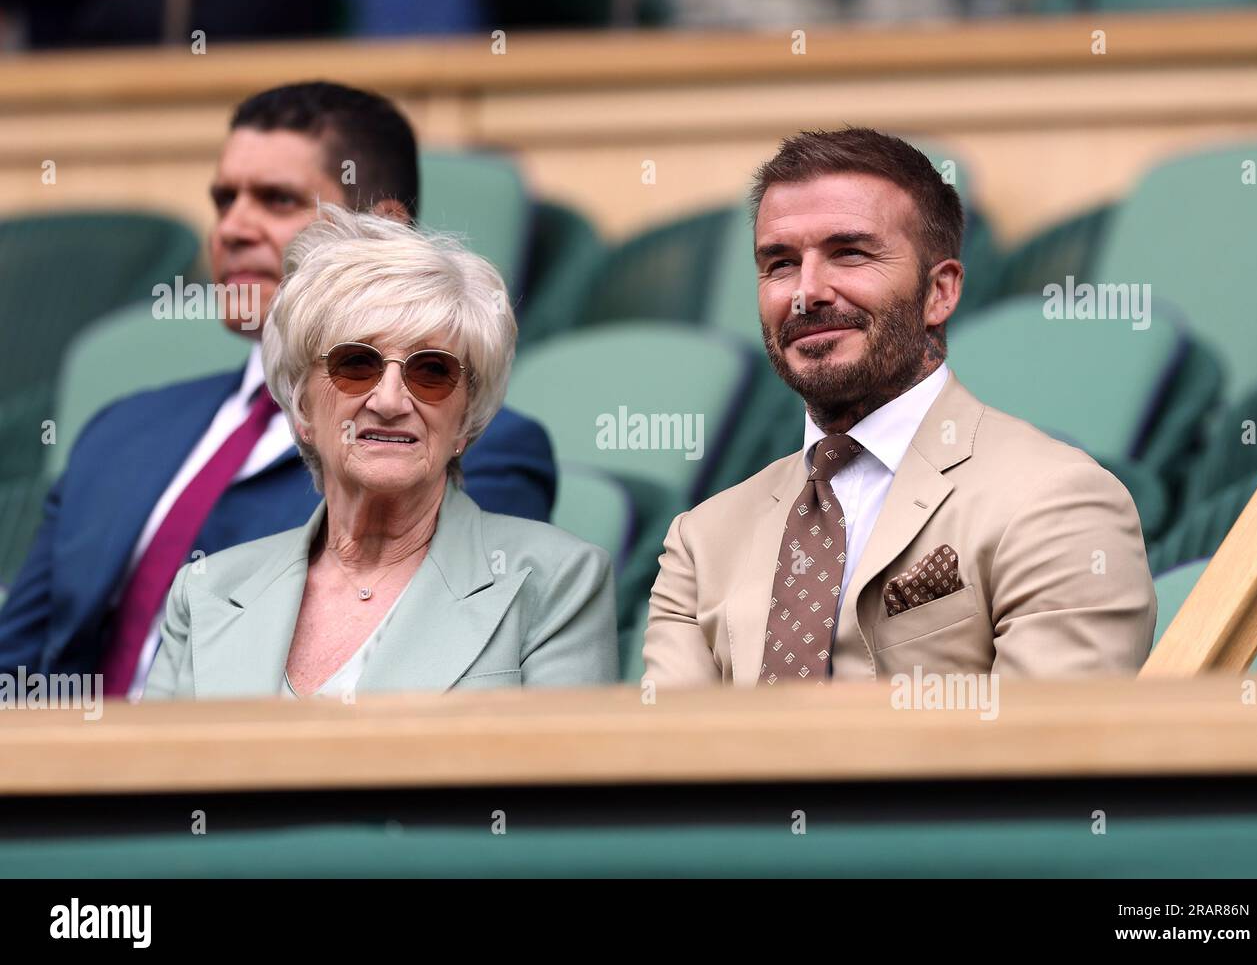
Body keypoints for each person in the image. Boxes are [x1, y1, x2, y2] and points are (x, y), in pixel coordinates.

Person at [0, 82, 557, 699]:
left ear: (380, 230)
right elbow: (15, 669)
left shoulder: (466, 445)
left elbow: (426, 679)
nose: (233, 228)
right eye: (224, 201)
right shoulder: (123, 428)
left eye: (276, 200)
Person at [643, 127, 1156, 687]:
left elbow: (1049, 755)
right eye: (780, 264)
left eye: (850, 253)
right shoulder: (700, 542)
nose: (806, 292)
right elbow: (663, 764)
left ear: (940, 292)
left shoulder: (1058, 502)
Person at [146, 205, 618, 699]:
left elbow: (561, 773)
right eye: (355, 364)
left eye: (432, 372)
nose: (391, 401)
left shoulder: (557, 581)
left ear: (466, 419)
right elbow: (150, 771)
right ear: (303, 408)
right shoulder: (205, 591)